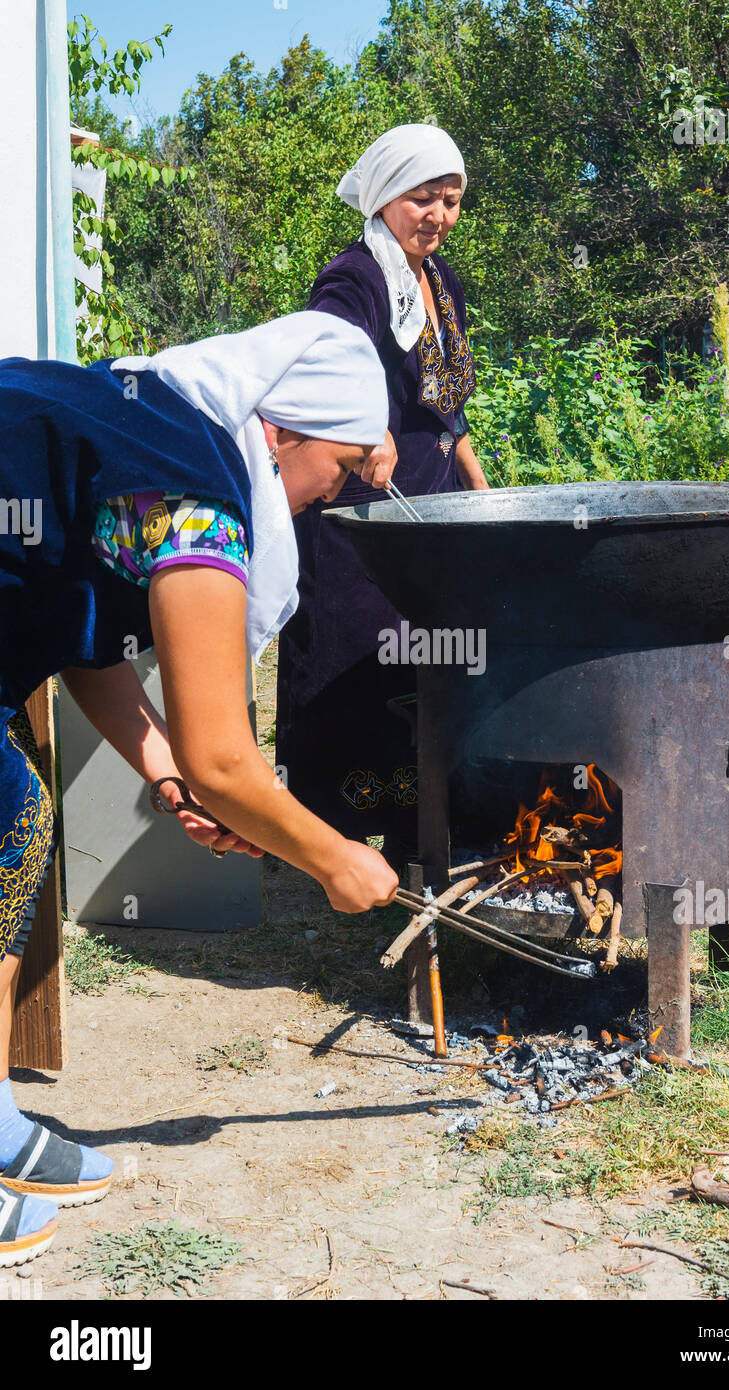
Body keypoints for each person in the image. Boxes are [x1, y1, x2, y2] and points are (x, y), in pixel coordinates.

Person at [0, 312, 399, 1268]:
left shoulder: (142, 431)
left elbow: (85, 647)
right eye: (338, 471)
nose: (321, 501)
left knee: (14, 825)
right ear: (279, 430)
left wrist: (165, 771)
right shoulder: (196, 489)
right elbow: (230, 760)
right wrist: (333, 859)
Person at [276, 124, 489, 865]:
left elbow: (448, 407)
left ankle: (412, 830)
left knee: (418, 665)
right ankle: (324, 840)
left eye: (451, 201)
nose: (437, 215)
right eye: (422, 198)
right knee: (349, 658)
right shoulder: (353, 278)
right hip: (358, 509)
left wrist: (481, 486)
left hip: (428, 504)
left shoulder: (442, 282)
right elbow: (326, 364)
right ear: (384, 196)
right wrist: (367, 427)